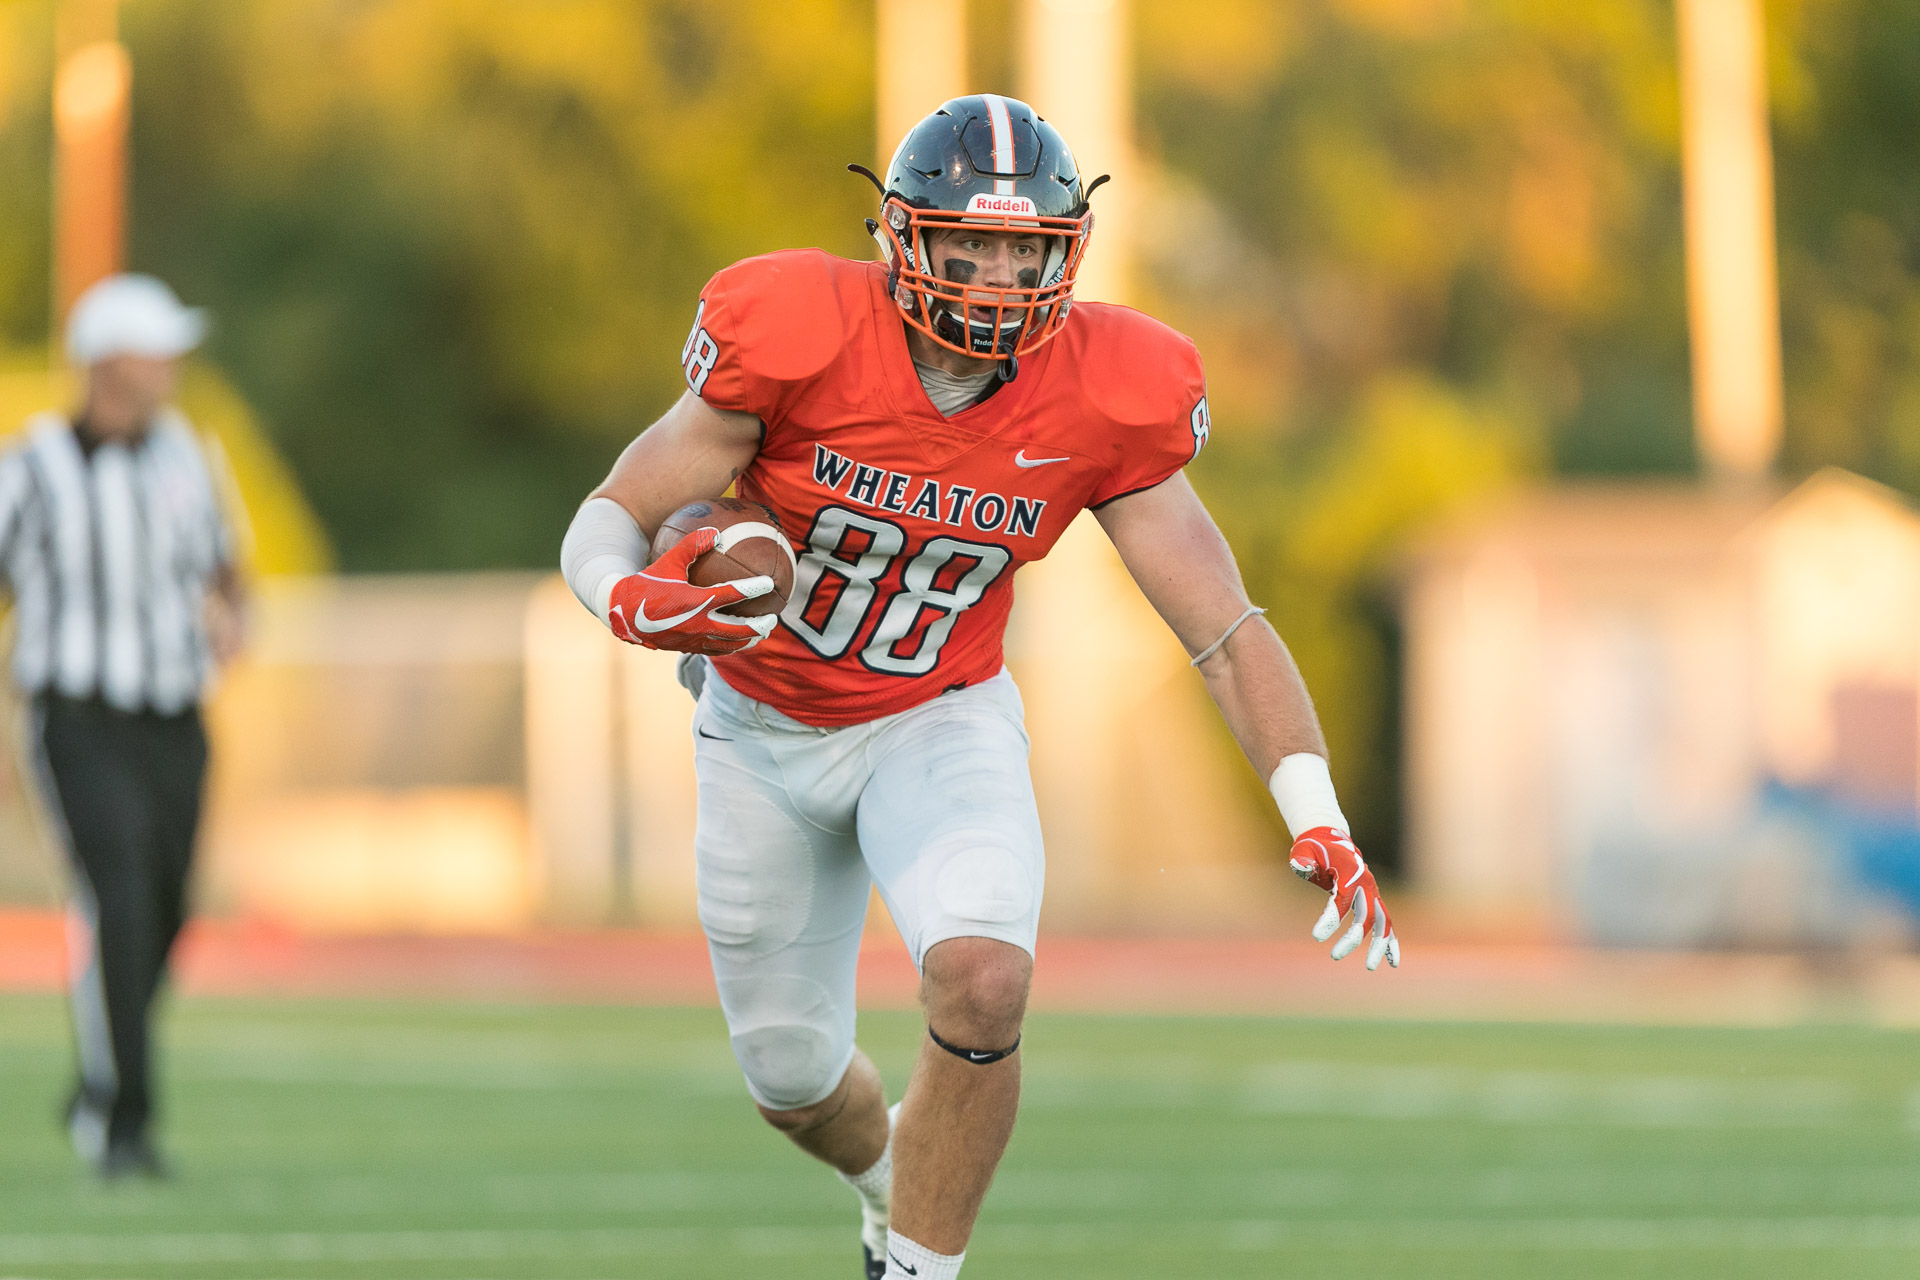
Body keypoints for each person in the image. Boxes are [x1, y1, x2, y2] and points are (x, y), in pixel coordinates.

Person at [560, 95, 1398, 1279]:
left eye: (1025, 248)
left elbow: (1222, 625)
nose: (1000, 275)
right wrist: (623, 595)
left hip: (936, 717)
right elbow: (614, 508)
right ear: (904, 236)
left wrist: (1314, 809)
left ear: (1068, 252)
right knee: (793, 1079)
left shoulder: (1107, 385)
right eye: (971, 241)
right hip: (759, 728)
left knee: (985, 976)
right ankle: (889, 1183)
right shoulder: (799, 329)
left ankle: (918, 1265)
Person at [0, 274, 246, 1178]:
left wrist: (233, 620)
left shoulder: (189, 453)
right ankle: (121, 1119)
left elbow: (226, 565)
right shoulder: (31, 467)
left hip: (174, 712)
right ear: (106, 361)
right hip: (77, 714)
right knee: (120, 898)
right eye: (155, 348)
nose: (172, 364)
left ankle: (101, 1080)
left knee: (168, 904)